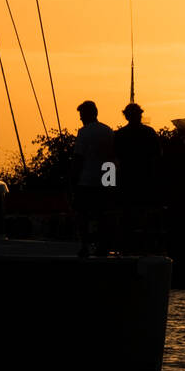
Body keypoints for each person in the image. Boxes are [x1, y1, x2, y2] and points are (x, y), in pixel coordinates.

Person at [111, 102, 163, 253]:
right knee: (143, 217)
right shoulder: (148, 133)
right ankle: (144, 248)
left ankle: (128, 247)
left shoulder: (120, 135)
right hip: (143, 182)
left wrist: (109, 184)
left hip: (128, 182)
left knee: (128, 218)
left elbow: (113, 161)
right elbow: (157, 159)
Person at [72, 100, 115, 258]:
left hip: (86, 180)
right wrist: (110, 182)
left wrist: (73, 180)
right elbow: (112, 159)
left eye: (82, 115)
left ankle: (84, 246)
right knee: (103, 214)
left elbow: (78, 158)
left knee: (82, 214)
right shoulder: (108, 131)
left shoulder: (84, 132)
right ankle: (102, 246)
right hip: (104, 180)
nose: (80, 119)